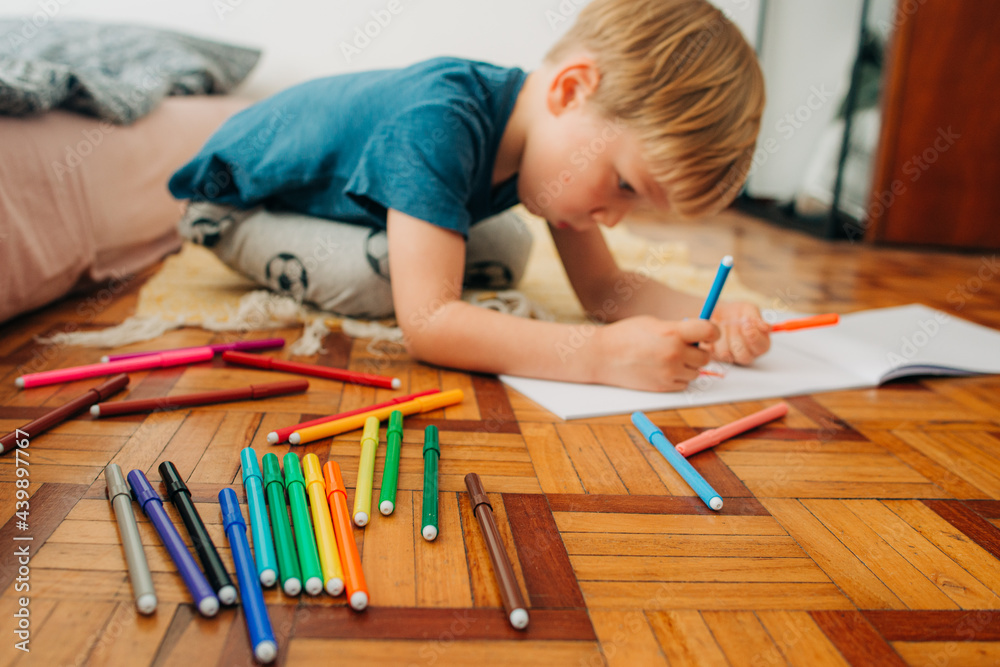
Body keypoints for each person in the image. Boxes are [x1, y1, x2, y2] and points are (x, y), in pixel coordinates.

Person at [169, 0, 769, 392]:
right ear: (571, 91)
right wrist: (601, 357)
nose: (612, 219)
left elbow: (604, 291)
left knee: (506, 245)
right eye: (625, 187)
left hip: (339, 207)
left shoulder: (564, 155)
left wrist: (711, 312)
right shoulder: (440, 120)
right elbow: (429, 325)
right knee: (391, 281)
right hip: (235, 205)